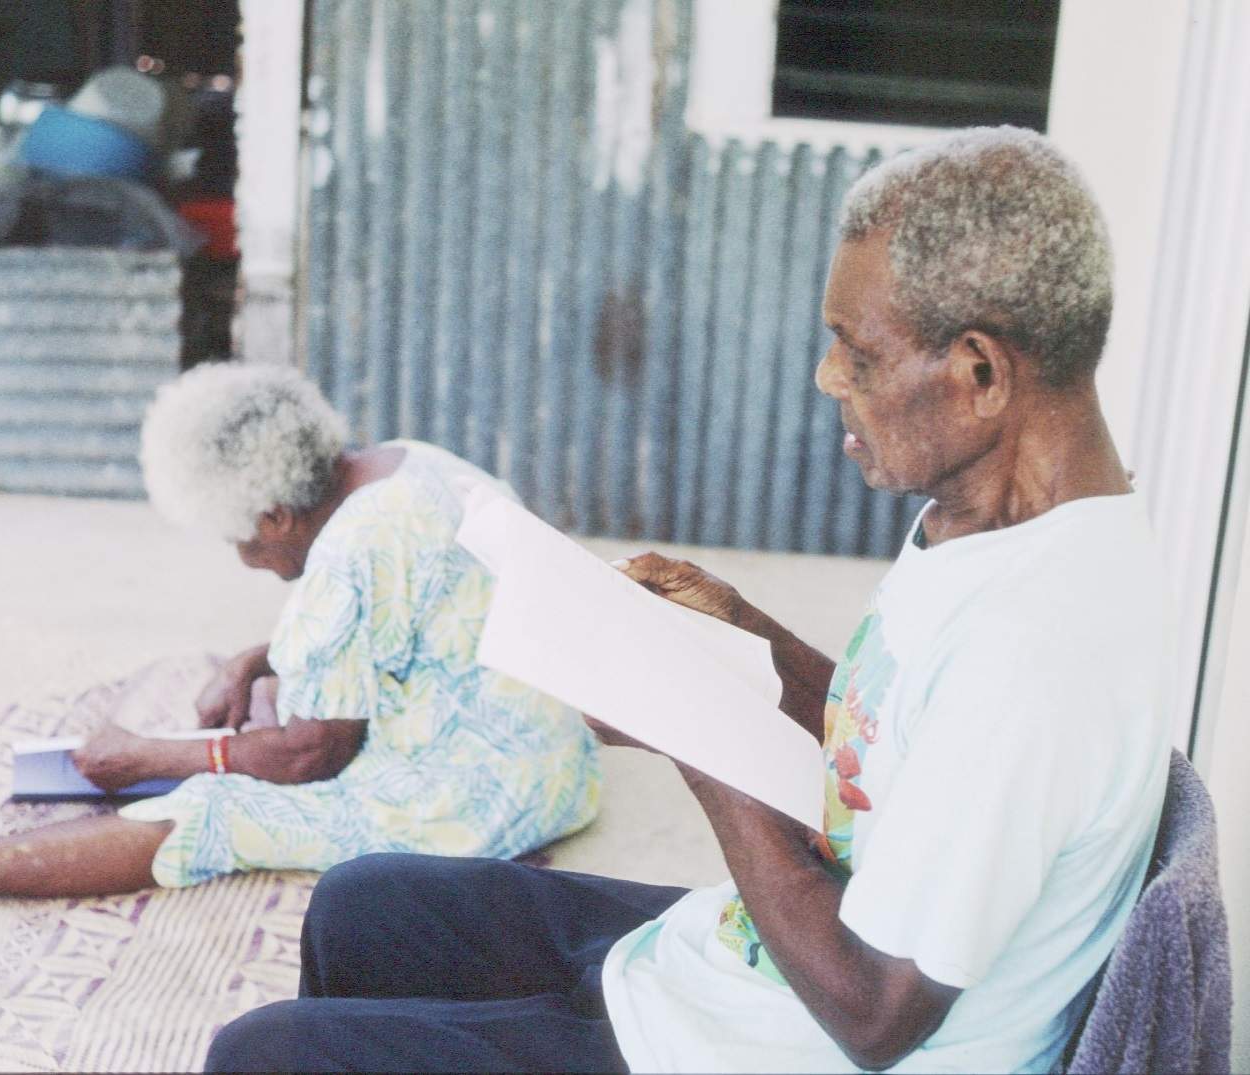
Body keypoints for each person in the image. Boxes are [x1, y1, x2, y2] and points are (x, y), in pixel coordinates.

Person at [204, 126, 1173, 1074]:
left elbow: (875, 1013)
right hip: (736, 986)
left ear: (979, 372)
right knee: (363, 903)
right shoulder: (994, 523)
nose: (827, 375)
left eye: (858, 352)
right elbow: (898, 736)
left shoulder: (1039, 647)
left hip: (797, 1034)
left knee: (262, 1055)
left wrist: (694, 729)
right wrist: (742, 630)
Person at [0, 364, 601, 905]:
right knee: (278, 690)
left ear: (275, 514)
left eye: (241, 537)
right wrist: (259, 656)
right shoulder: (409, 462)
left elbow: (309, 757)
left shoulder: (350, 553)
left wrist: (155, 756)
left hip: (488, 797)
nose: (245, 558)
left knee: (217, 807)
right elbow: (412, 603)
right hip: (553, 743)